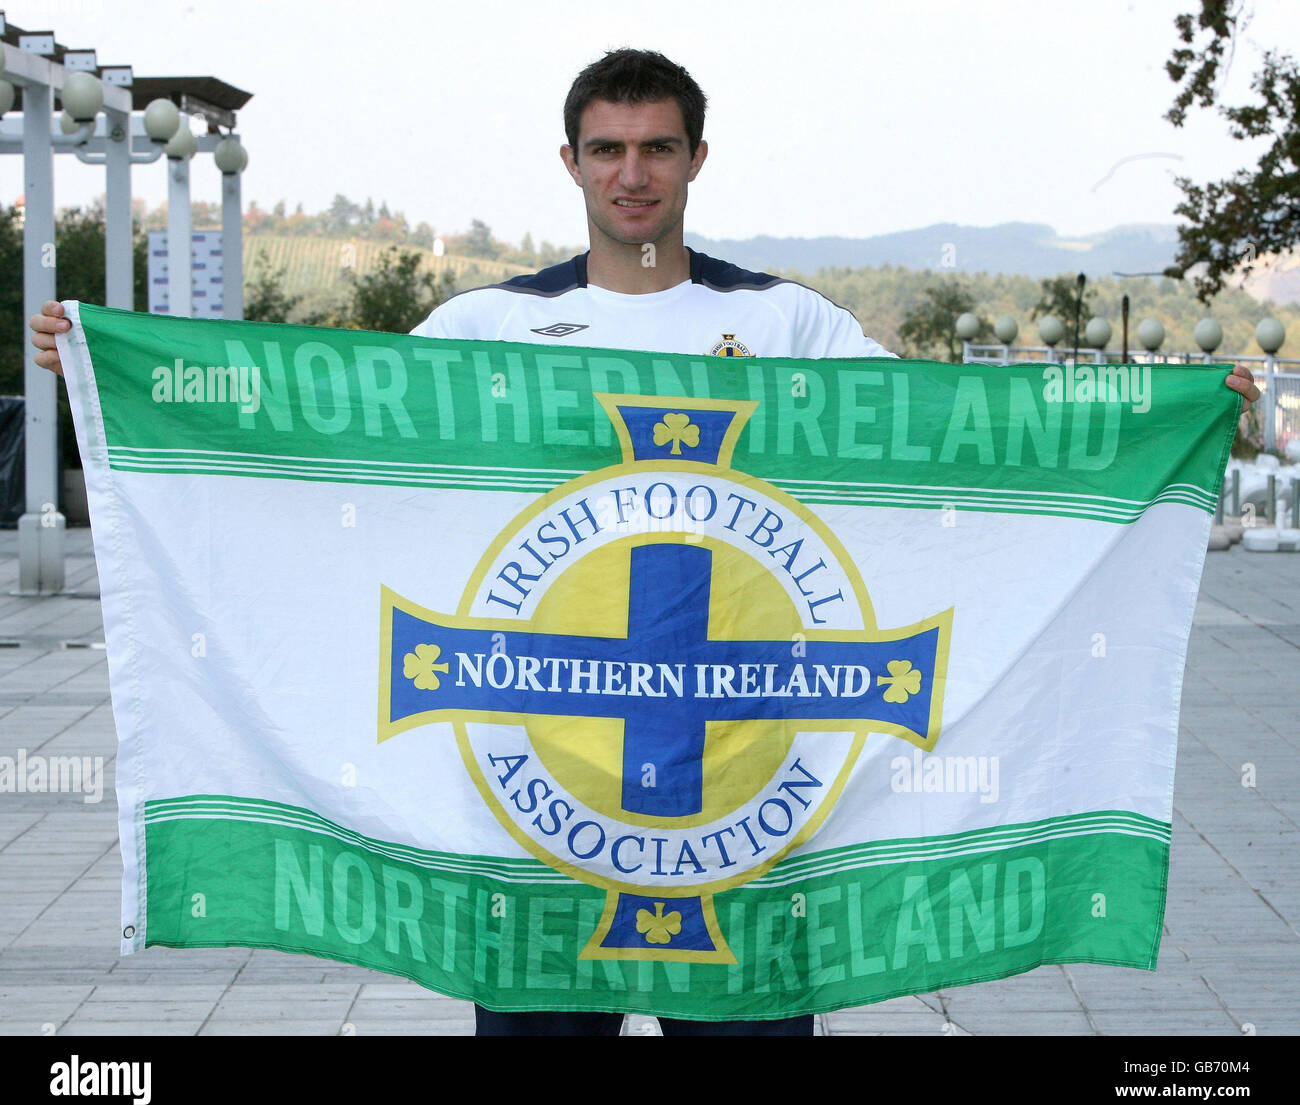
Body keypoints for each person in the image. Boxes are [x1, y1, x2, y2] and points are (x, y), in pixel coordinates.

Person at [29, 48, 1262, 1037]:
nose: (633, 174)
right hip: (532, 812)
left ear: (695, 159)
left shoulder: (785, 327)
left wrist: (1171, 414)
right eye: (608, 149)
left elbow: (958, 441)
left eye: (657, 148)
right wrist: (119, 376)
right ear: (570, 161)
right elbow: (321, 440)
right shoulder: (486, 329)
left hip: (750, 811)